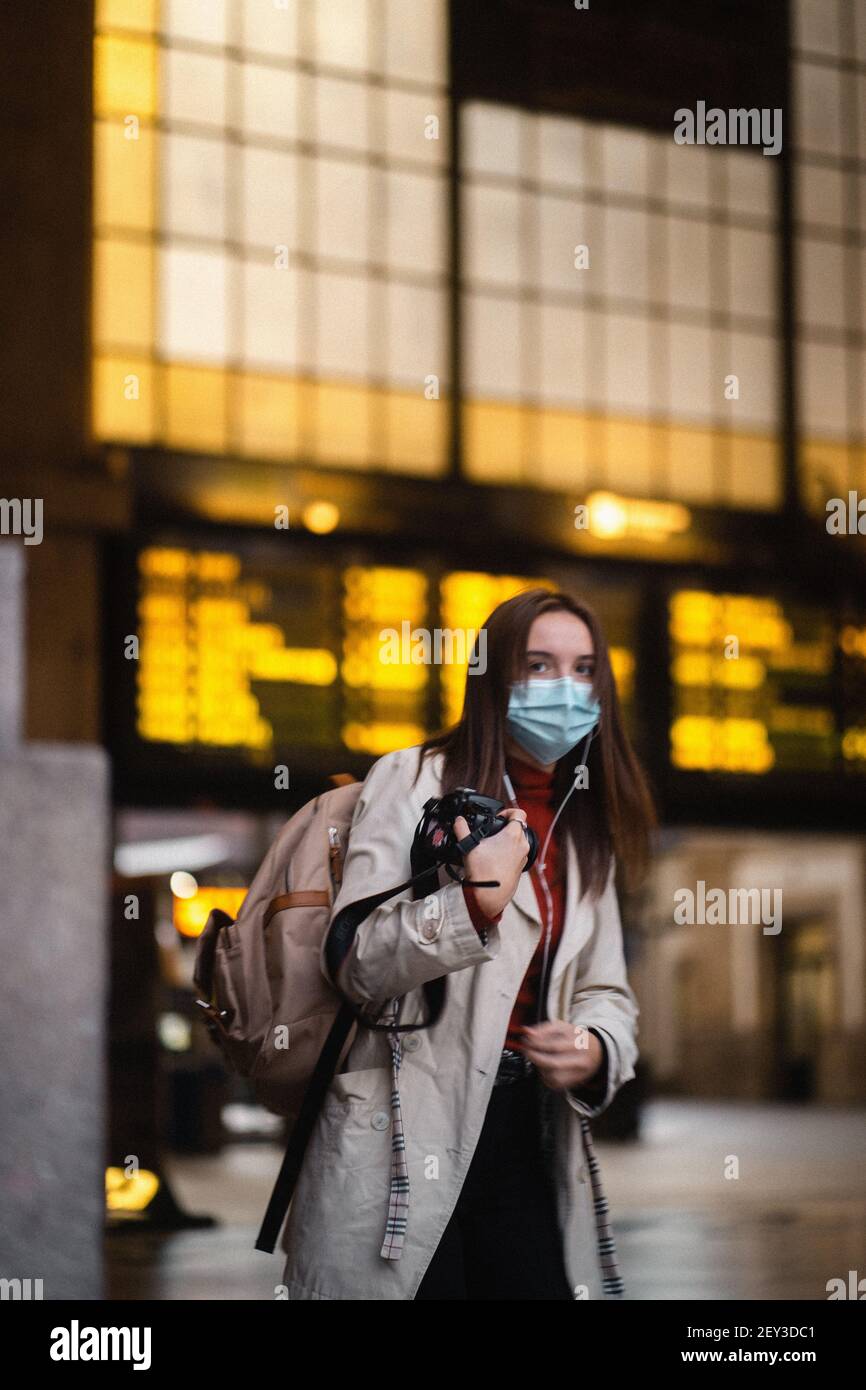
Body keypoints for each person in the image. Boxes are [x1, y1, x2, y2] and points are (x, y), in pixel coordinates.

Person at [280, 587, 655, 1300]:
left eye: (584, 670)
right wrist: (476, 903)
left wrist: (596, 1045)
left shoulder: (585, 821)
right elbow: (356, 960)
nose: (565, 689)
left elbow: (607, 990)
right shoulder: (411, 778)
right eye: (538, 666)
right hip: (404, 1128)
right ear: (493, 679)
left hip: (527, 1137)